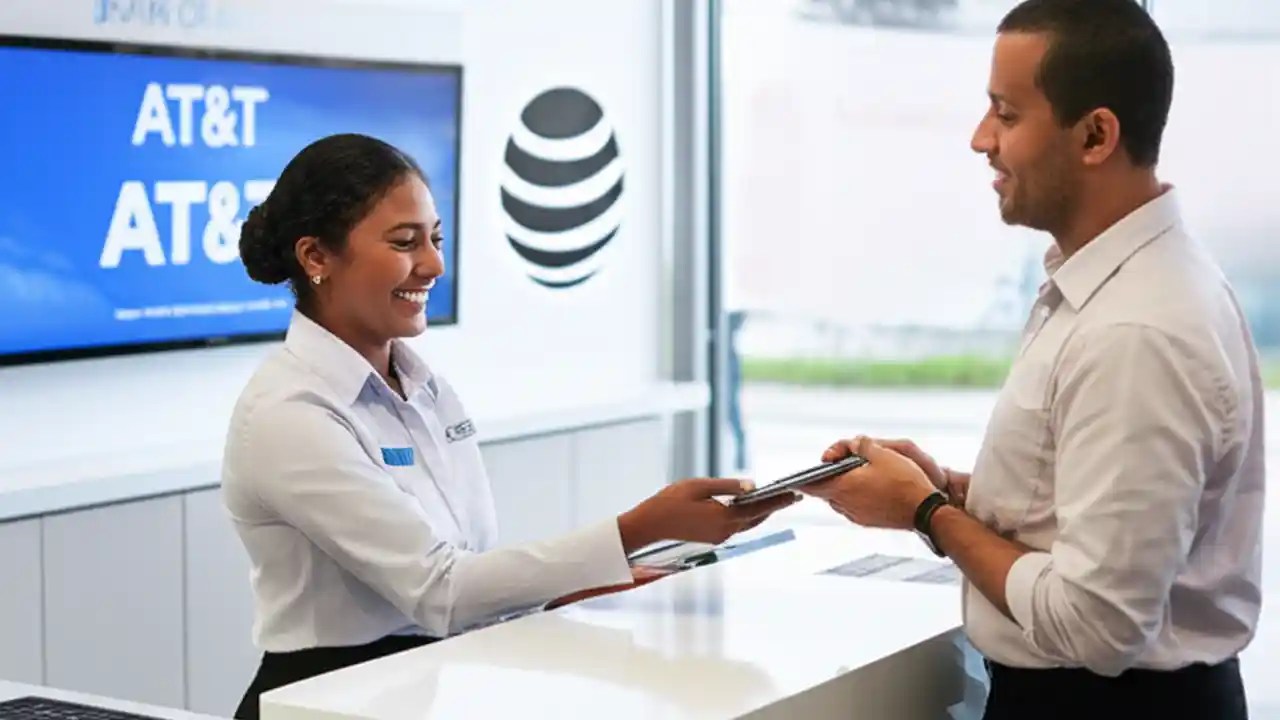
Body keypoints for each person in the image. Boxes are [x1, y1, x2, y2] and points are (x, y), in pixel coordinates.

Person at [221, 133, 797, 720]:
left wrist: (579, 586)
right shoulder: (288, 413)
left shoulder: (427, 388)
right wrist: (639, 528)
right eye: (405, 242)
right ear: (316, 258)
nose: (434, 265)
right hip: (319, 701)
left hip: (422, 684)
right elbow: (441, 590)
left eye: (436, 239)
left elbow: (468, 570)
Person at [800, 1, 1264, 718]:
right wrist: (948, 490)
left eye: (1007, 114)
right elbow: (1080, 511)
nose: (980, 139)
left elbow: (1097, 625)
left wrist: (925, 512)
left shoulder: (1137, 330)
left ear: (1095, 135)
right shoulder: (1111, 287)